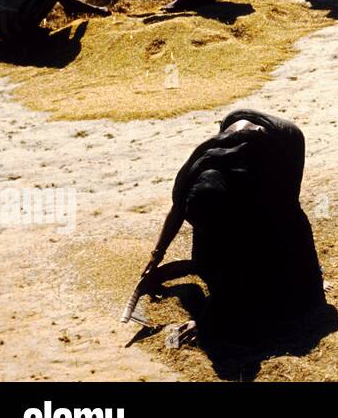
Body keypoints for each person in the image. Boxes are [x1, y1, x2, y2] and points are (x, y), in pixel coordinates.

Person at [130, 110, 325, 339]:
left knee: (284, 216)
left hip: (283, 140)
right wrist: (157, 255)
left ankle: (312, 276)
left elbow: (245, 244)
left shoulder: (255, 182)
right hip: (234, 125)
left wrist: (206, 318)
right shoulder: (192, 176)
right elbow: (176, 211)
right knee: (214, 249)